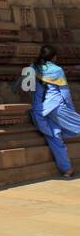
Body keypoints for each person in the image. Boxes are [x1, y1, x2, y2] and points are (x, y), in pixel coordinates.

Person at [22, 45, 80, 178]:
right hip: (56, 107)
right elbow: (65, 94)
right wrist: (72, 112)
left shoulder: (31, 67)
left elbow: (25, 88)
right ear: (53, 57)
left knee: (55, 139)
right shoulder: (57, 70)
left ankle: (67, 170)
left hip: (39, 112)